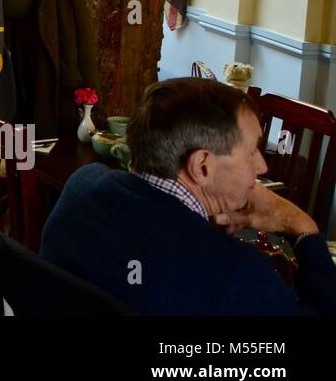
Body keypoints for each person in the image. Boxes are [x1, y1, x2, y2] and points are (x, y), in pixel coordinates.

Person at [40, 78, 336, 315]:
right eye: (251, 152)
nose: (262, 165)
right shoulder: (235, 275)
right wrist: (301, 226)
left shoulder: (81, 187)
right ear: (201, 166)